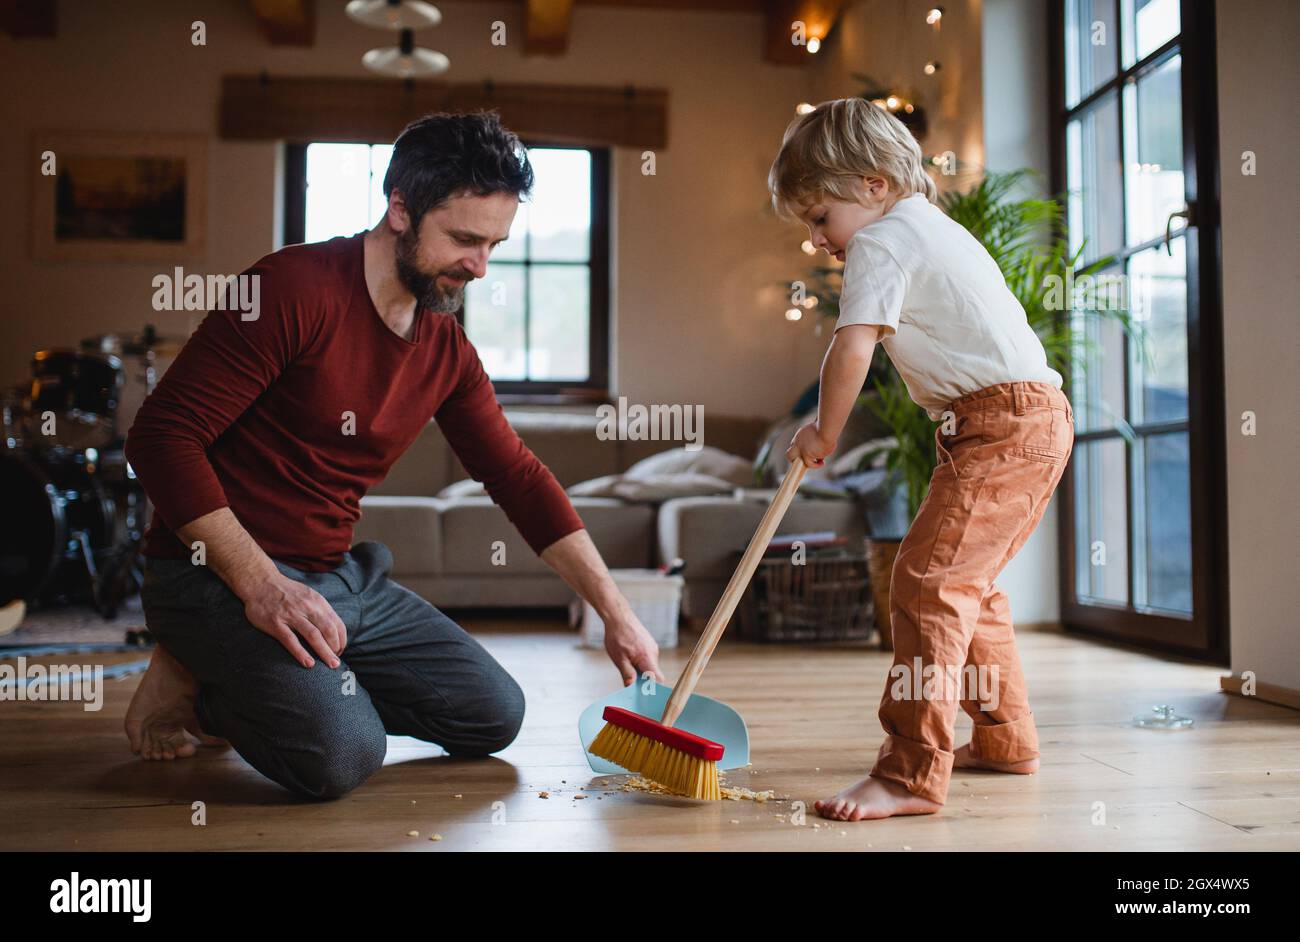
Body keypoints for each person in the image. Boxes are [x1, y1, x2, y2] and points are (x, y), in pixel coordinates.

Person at [123, 110, 664, 799]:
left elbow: (518, 479)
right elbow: (160, 437)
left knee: (493, 714)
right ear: (400, 210)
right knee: (344, 756)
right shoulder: (292, 289)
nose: (481, 266)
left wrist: (617, 613)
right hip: (216, 578)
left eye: (496, 244)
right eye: (466, 239)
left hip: (339, 580)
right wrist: (262, 587)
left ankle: (250, 677)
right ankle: (199, 682)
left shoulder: (446, 348)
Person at [770, 98, 1074, 821]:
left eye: (820, 217)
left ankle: (909, 772)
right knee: (971, 588)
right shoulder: (926, 228)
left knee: (929, 582)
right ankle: (1006, 739)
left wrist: (822, 432)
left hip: (1002, 425)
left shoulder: (883, 241)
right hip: (1017, 423)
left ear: (873, 185)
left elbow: (853, 346)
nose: (817, 240)